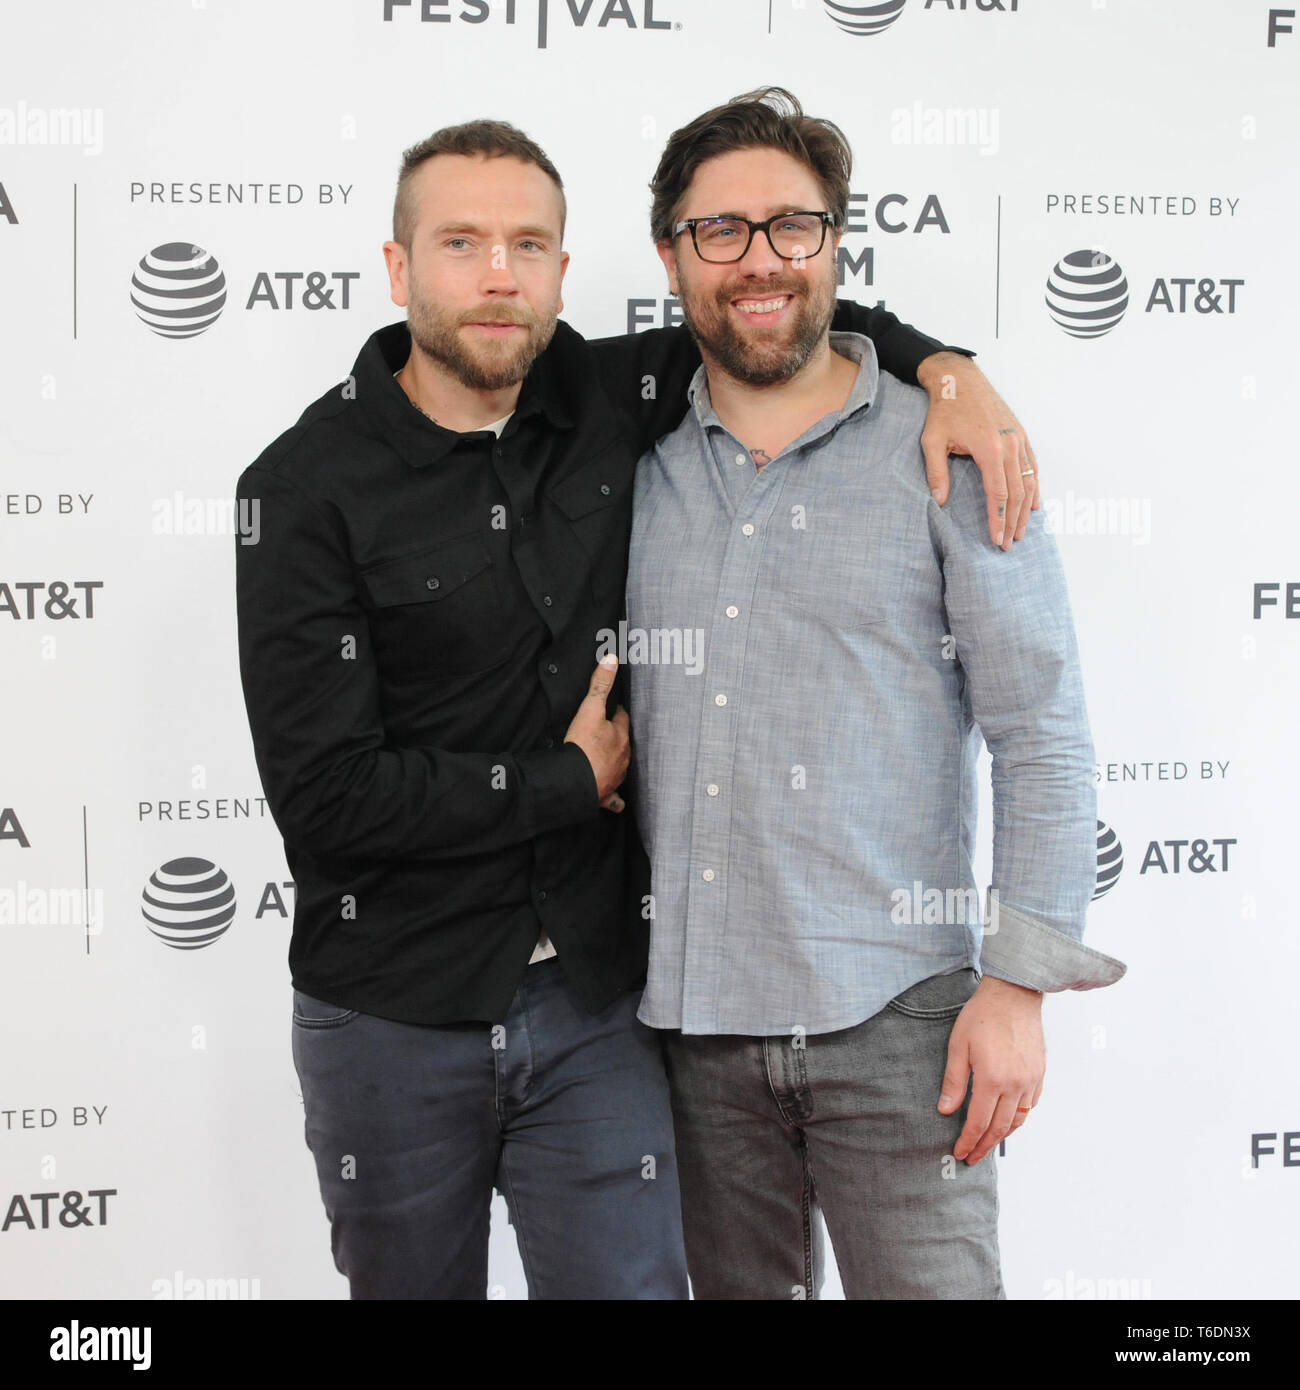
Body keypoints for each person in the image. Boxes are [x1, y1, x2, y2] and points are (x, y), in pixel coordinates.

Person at [235, 114, 1041, 1300]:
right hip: (390, 1018)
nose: (497, 274)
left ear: (568, 271)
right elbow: (323, 796)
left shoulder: (613, 396)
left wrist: (949, 368)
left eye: (527, 245)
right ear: (399, 267)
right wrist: (566, 782)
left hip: (596, 1011)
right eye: (460, 244)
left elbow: (773, 306)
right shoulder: (300, 488)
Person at [626, 87, 1127, 1300]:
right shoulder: (619, 457)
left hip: (902, 1028)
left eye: (792, 228)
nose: (760, 261)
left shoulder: (947, 448)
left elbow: (1041, 732)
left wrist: (1016, 987)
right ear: (671, 254)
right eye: (721, 231)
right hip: (686, 1038)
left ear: (836, 245)